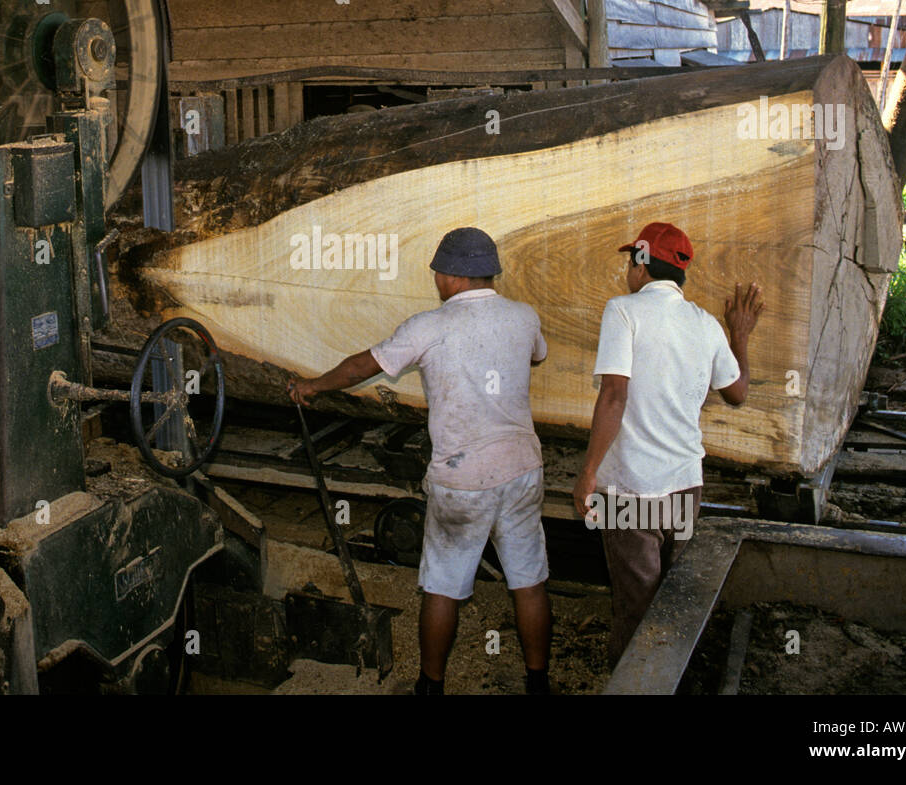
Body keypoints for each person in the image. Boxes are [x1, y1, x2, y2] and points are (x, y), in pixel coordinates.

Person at [288, 227, 551, 695]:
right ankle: (538, 683)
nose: (434, 278)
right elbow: (534, 357)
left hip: (463, 481)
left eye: (436, 270)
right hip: (522, 470)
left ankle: (430, 688)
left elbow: (359, 368)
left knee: (442, 588)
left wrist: (311, 385)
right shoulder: (524, 317)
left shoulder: (427, 327)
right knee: (528, 583)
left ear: (451, 275)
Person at [571, 222, 763, 670]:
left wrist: (588, 472)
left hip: (630, 492)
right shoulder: (705, 324)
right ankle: (677, 677)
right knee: (676, 603)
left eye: (629, 260)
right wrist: (740, 334)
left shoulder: (623, 311)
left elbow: (614, 396)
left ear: (641, 263)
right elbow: (737, 393)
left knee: (636, 610)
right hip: (684, 488)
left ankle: (635, 683)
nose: (626, 270)